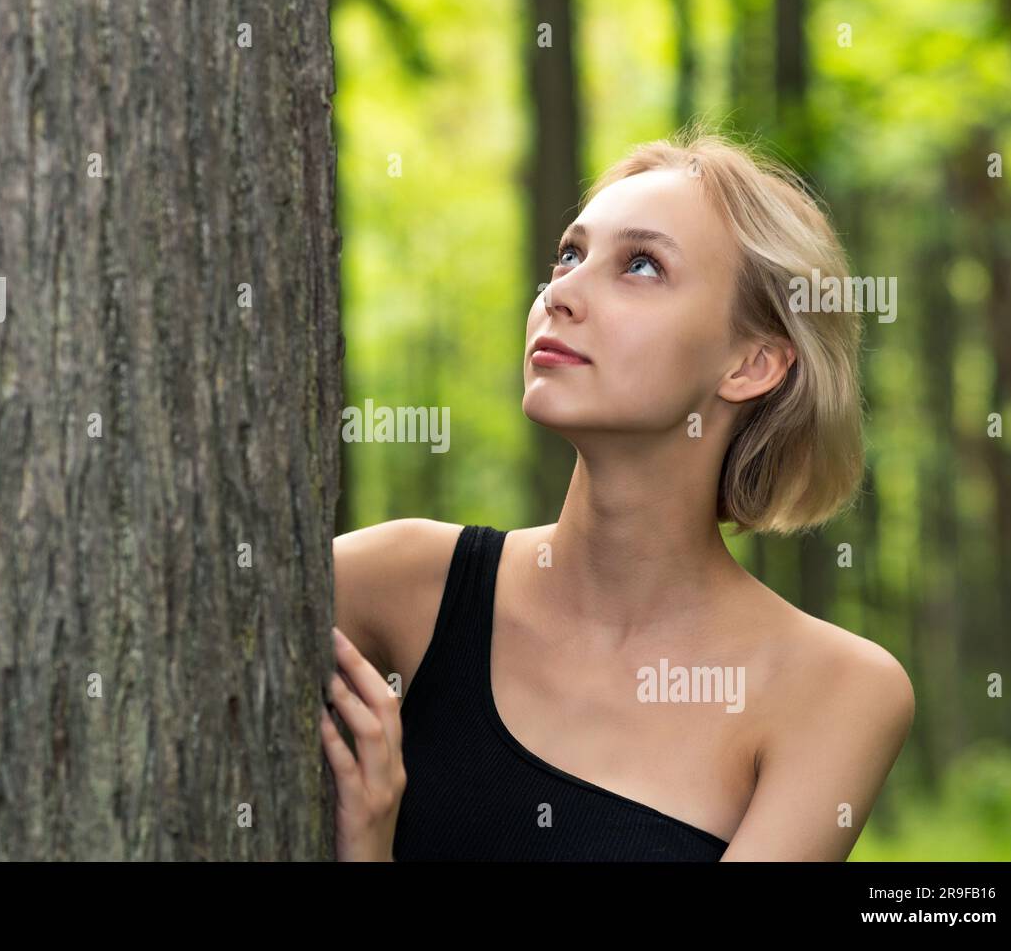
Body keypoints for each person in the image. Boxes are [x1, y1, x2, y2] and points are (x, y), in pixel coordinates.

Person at [321, 127, 915, 861]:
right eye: (568, 255)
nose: (561, 293)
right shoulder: (397, 581)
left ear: (751, 363)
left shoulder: (836, 692)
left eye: (640, 265)